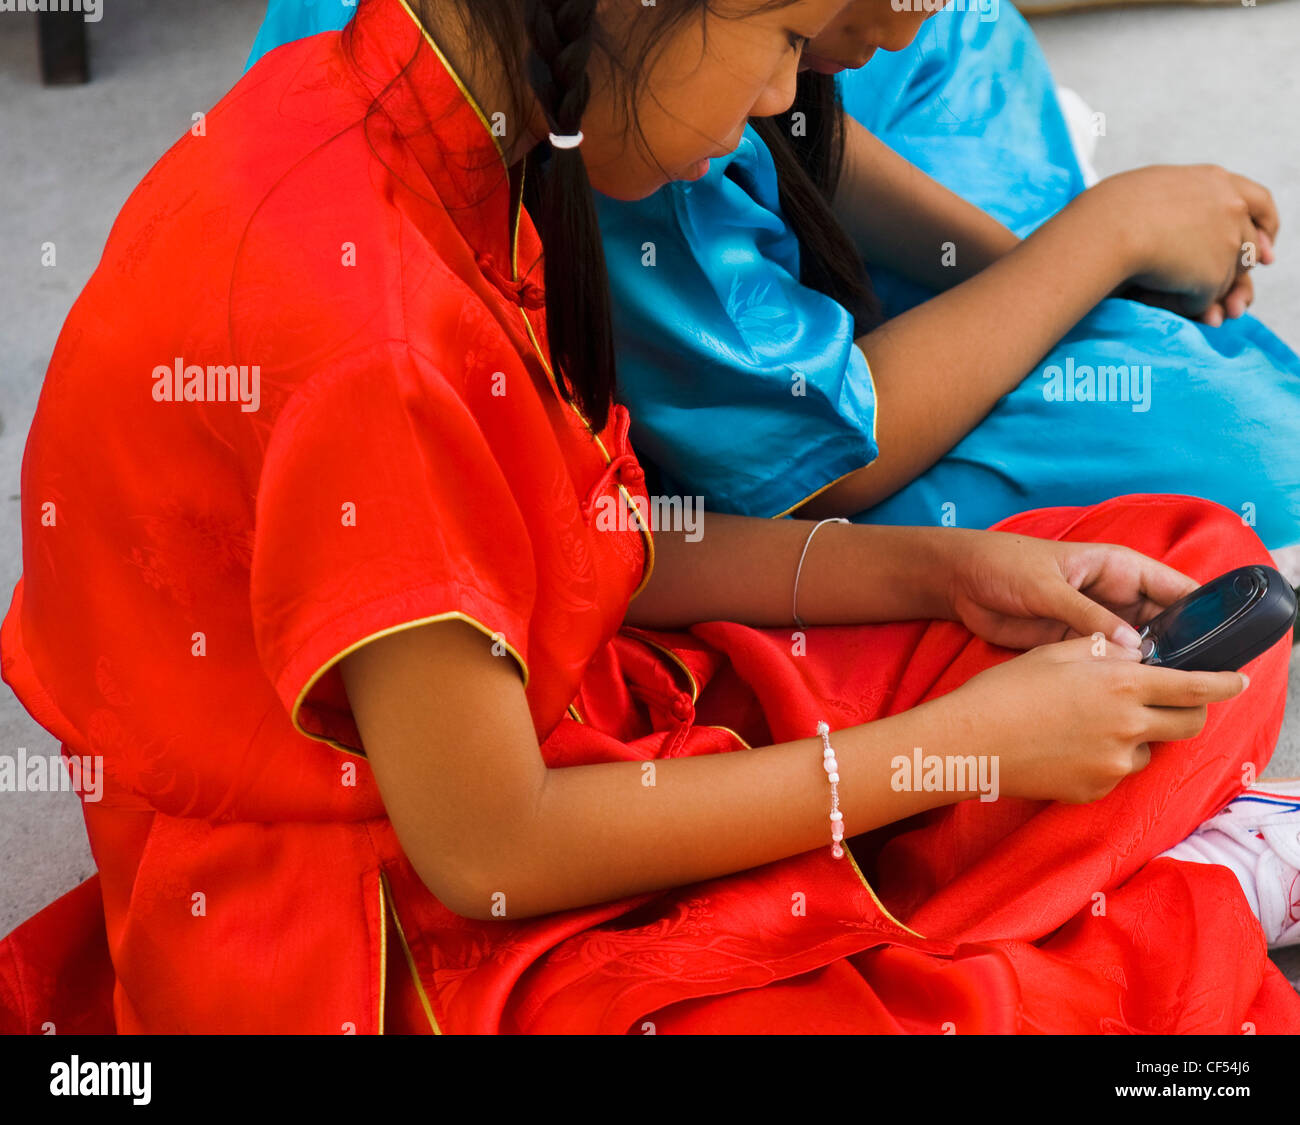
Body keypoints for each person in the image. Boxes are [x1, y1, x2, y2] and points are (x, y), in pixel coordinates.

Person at [1, 0, 1297, 1034]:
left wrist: (947, 571)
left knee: (1190, 569)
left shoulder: (456, 109)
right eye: (784, 41)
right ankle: (1163, 892)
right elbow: (489, 850)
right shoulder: (369, 336)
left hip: (563, 699)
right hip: (387, 903)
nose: (789, 97)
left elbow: (584, 544)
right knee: (1003, 947)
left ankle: (1049, 880)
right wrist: (951, 754)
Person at [247, 1, 1300, 553]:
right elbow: (808, 483)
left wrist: (1037, 262)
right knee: (1258, 451)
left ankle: (929, 310)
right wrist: (1101, 241)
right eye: (796, 32)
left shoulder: (649, 67)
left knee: (960, 38)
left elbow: (799, 127)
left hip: (689, 125)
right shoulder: (620, 151)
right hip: (732, 389)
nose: (889, 24)